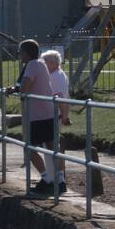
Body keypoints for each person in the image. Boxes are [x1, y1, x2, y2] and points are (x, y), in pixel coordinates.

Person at [6, 39, 57, 195]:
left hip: (37, 114)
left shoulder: (32, 65)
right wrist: (17, 88)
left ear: (26, 53)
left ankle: (47, 179)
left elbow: (25, 87)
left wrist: (18, 91)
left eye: (20, 52)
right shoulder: (41, 63)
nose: (19, 56)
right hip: (48, 112)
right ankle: (58, 180)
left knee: (29, 148)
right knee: (51, 147)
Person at [42, 49, 70, 192]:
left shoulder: (54, 77)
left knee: (50, 148)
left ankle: (55, 180)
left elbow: (59, 98)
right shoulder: (61, 74)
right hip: (56, 115)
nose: (43, 65)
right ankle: (55, 178)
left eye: (45, 62)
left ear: (52, 63)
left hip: (53, 115)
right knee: (50, 147)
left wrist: (65, 116)